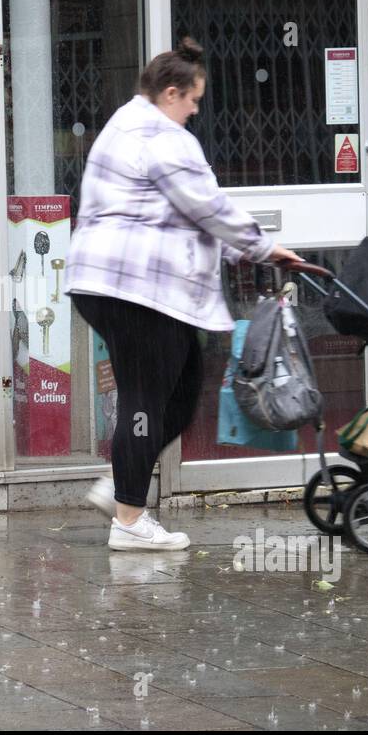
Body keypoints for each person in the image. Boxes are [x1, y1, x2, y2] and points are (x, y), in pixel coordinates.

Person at [65, 37, 303, 552]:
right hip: (137, 287)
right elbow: (207, 206)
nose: (195, 111)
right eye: (193, 100)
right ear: (171, 93)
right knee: (151, 397)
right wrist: (264, 248)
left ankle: (121, 486)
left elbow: (173, 215)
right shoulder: (162, 135)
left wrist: (242, 251)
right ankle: (129, 517)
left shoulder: (123, 126)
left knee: (178, 392)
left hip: (113, 282)